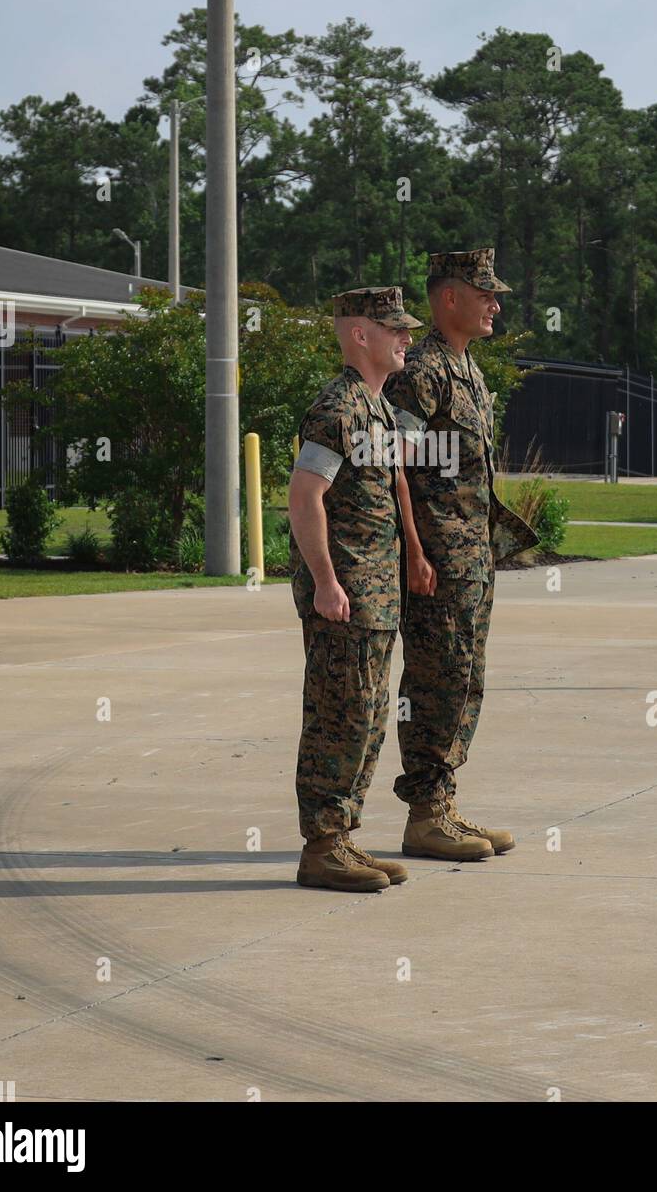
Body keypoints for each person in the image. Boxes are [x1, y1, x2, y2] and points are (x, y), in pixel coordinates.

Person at [384, 249, 537, 861]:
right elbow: (391, 462)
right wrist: (415, 553)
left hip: (471, 558)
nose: (496, 304)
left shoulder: (467, 369)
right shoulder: (420, 371)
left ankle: (442, 803)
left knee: (465, 678)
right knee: (436, 678)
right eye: (485, 294)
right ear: (449, 298)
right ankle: (424, 814)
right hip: (438, 562)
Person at [289, 285, 428, 892]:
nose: (406, 338)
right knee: (339, 717)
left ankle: (342, 837)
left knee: (368, 718)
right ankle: (322, 846)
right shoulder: (338, 408)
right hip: (344, 598)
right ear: (359, 335)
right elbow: (304, 495)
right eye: (394, 329)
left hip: (373, 597)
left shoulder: (375, 408)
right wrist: (325, 581)